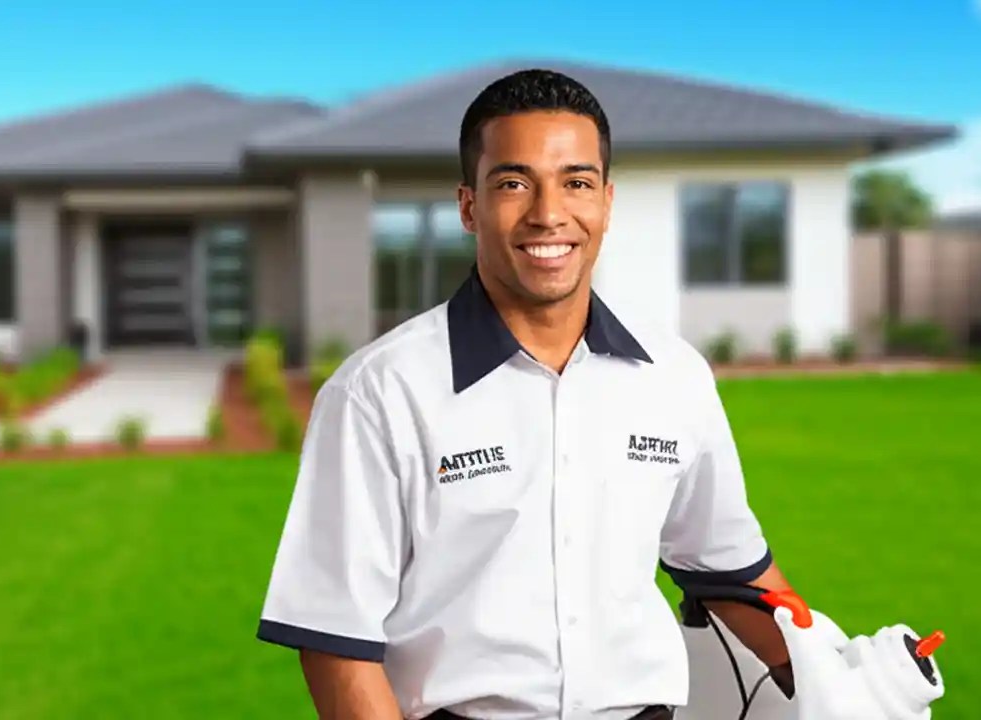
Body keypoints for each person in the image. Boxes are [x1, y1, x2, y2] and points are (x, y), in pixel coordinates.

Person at [256, 68, 797, 720]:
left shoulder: (674, 377)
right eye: (514, 184)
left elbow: (733, 576)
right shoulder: (378, 393)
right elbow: (334, 638)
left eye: (576, 183)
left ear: (606, 202)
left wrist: (836, 674)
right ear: (468, 206)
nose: (549, 214)